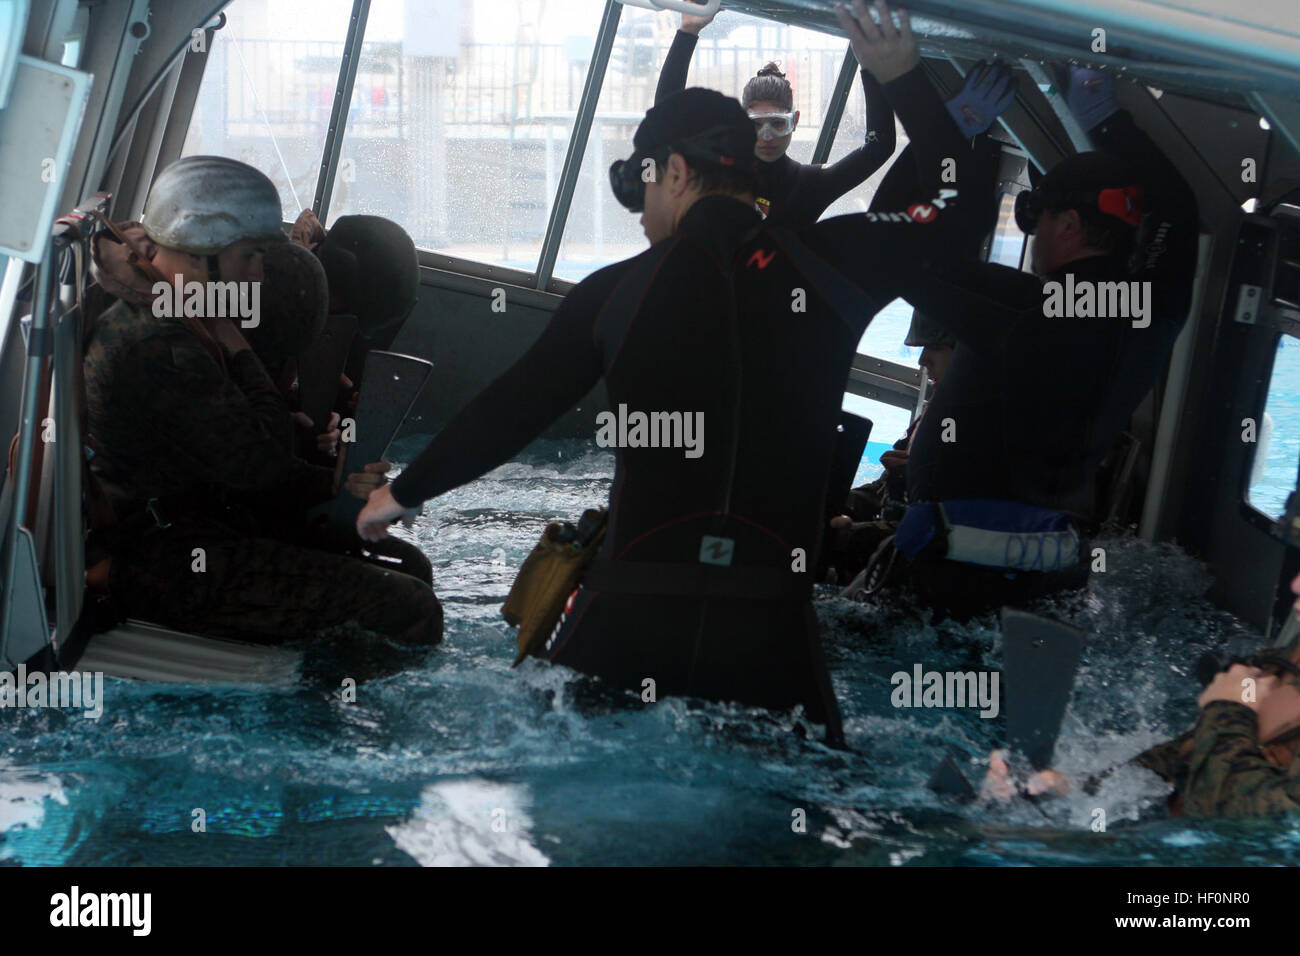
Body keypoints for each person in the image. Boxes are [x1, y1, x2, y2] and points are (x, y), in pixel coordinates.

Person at [358, 1, 999, 744]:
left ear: (681, 172)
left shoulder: (616, 294)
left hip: (630, 615)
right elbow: (955, 205)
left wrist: (399, 495)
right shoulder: (835, 266)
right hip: (770, 630)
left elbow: (510, 410)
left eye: (649, 185)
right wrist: (904, 79)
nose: (641, 211)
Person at [875, 65, 1200, 620]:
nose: (1035, 234)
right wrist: (1104, 116)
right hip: (1052, 582)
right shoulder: (1154, 311)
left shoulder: (1027, 309)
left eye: (1038, 217)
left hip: (948, 580)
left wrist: (953, 125)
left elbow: (886, 241)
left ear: (1069, 225)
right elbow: (1180, 215)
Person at [83, 155, 442, 646]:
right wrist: (236, 341)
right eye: (249, 256)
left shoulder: (175, 307)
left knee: (408, 564)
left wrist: (335, 483)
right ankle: (330, 721)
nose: (257, 274)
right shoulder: (158, 346)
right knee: (409, 608)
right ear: (199, 250)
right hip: (154, 555)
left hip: (197, 519)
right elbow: (265, 462)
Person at [982, 572, 1300, 817]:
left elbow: (1266, 825)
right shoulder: (1286, 662)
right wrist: (1071, 787)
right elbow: (1181, 760)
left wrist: (1229, 710)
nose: (1296, 584)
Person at [654, 4, 895, 224]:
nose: (767, 136)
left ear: (795, 121)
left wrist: (871, 67)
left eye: (778, 124)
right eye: (757, 125)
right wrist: (687, 32)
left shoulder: (809, 185)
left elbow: (879, 147)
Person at [826, 311, 955, 584]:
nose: (922, 360)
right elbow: (884, 491)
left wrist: (850, 534)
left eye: (934, 348)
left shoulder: (980, 426)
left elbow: (945, 519)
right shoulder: (935, 414)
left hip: (925, 547)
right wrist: (838, 503)